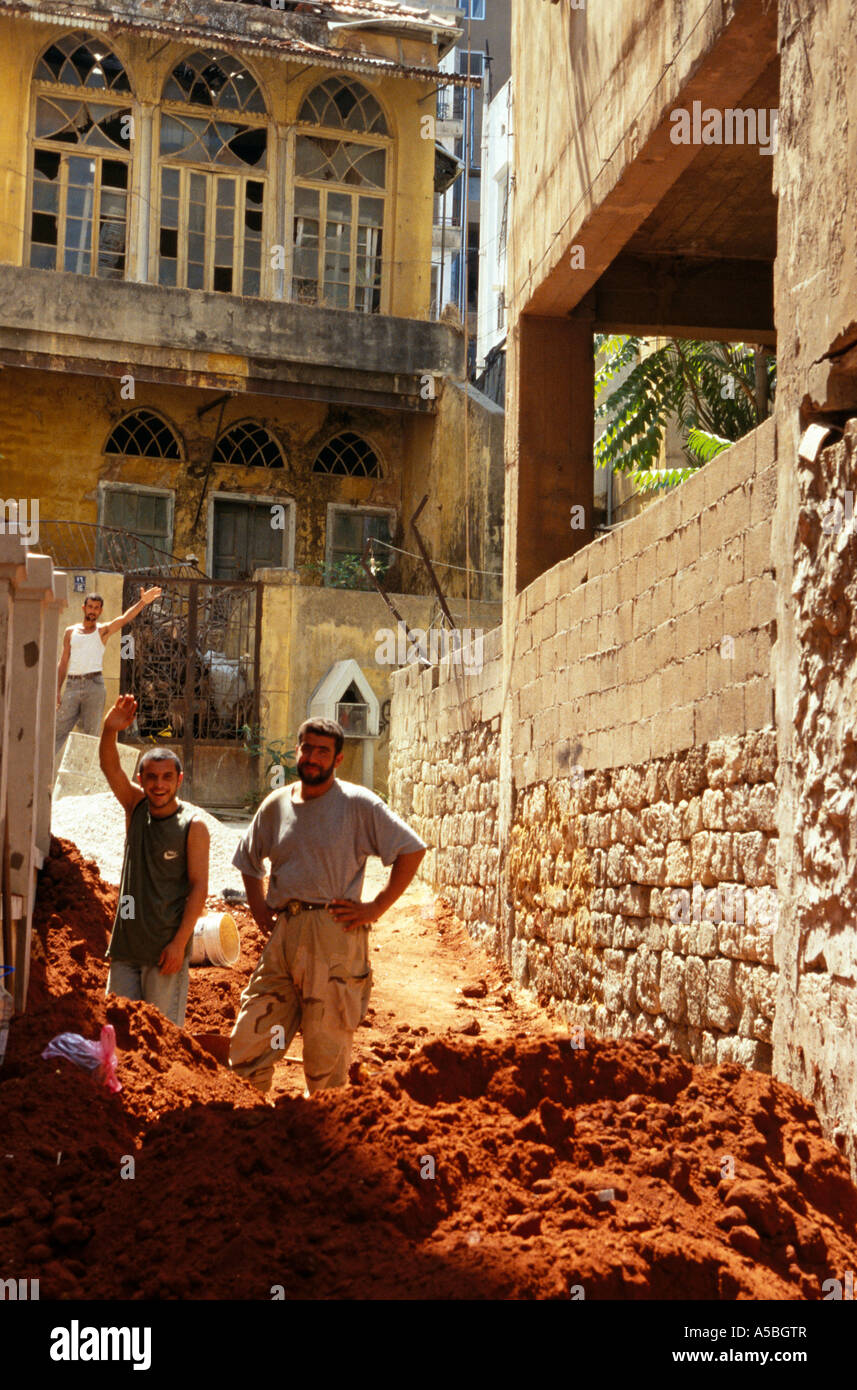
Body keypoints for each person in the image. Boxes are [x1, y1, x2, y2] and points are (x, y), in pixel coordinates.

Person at [229, 718, 426, 1096]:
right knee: (250, 1040)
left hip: (334, 937)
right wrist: (260, 912)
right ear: (297, 750)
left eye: (323, 751)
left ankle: (321, 1138)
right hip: (284, 937)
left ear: (337, 759)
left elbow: (411, 849)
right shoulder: (276, 806)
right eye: (307, 748)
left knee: (326, 1054)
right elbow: (248, 860)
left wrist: (376, 907)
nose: (312, 757)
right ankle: (251, 1130)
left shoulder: (357, 804)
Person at [98, 694, 210, 1027]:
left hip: (165, 953)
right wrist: (109, 730)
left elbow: (199, 888)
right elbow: (109, 766)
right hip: (126, 950)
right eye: (151, 777)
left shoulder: (193, 826)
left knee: (161, 1039)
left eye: (165, 777)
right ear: (141, 780)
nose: (158, 785)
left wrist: (179, 944)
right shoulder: (136, 807)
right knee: (118, 1033)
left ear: (179, 779)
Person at [55, 586, 162, 770]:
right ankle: (38, 773)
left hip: (94, 686)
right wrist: (57, 689)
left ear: (100, 611)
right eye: (90, 607)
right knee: (57, 731)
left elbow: (124, 618)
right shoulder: (70, 632)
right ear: (83, 608)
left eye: (97, 608)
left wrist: (143, 602)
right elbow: (63, 662)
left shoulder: (102, 631)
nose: (93, 611)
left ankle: (83, 776)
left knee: (90, 736)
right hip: (72, 686)